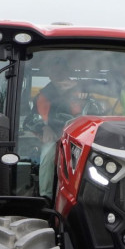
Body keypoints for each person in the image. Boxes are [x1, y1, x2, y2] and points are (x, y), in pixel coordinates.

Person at [26, 54, 86, 197]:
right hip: (54, 138)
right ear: (50, 75)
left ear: (67, 72)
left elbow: (93, 112)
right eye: (55, 72)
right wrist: (43, 127)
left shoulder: (82, 92)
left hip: (81, 138)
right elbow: (30, 119)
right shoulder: (42, 96)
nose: (58, 75)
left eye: (61, 71)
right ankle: (45, 195)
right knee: (47, 154)